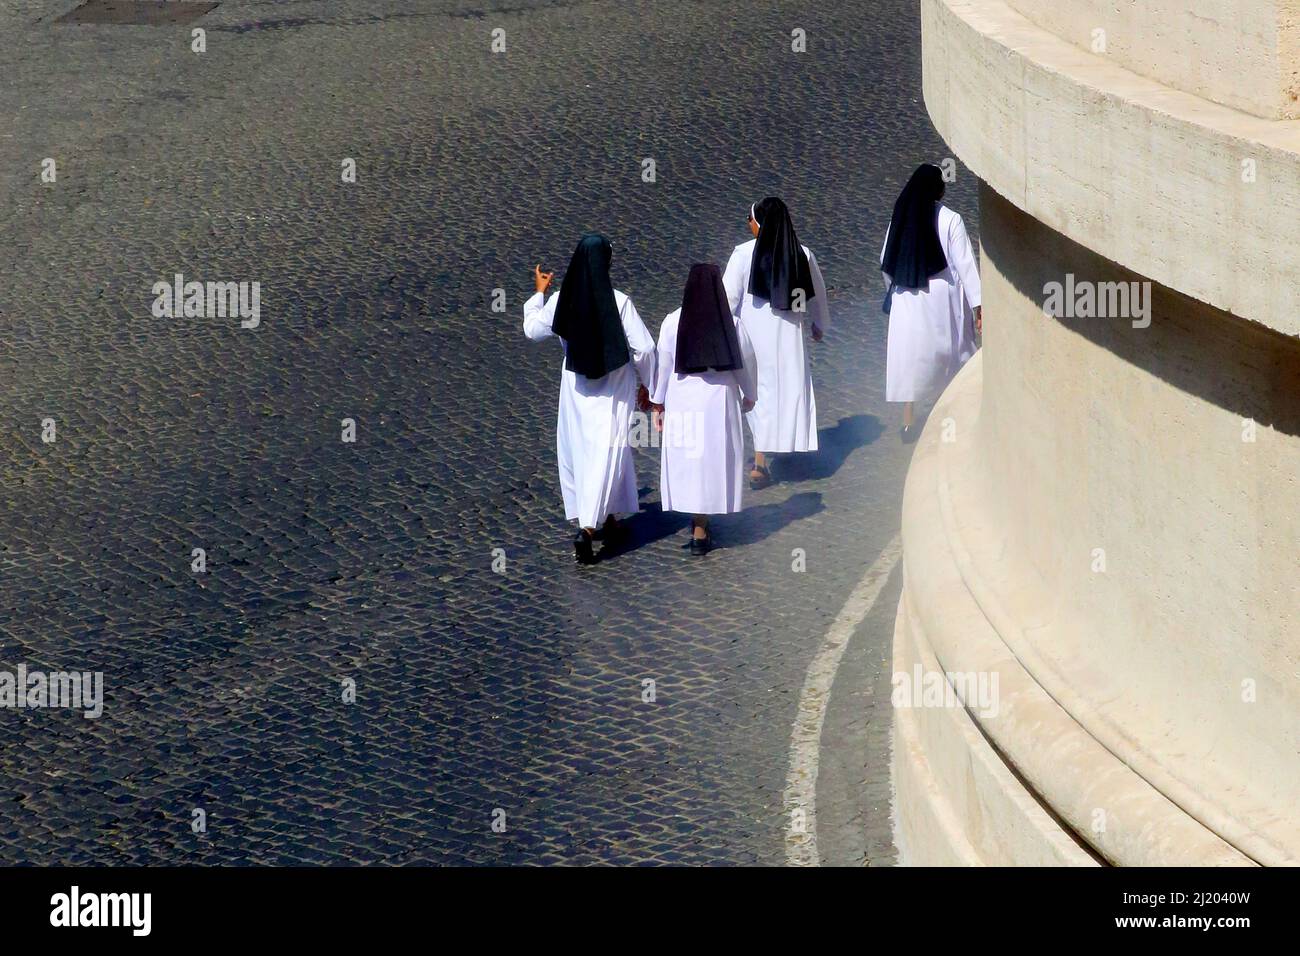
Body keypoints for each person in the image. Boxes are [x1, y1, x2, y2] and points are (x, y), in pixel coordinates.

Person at [523, 233, 656, 564]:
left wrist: (539, 294)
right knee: (609, 452)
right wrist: (651, 386)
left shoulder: (560, 301)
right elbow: (646, 349)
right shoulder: (620, 302)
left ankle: (608, 519)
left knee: (584, 452)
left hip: (576, 388)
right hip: (613, 389)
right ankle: (588, 529)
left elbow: (533, 331)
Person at [649, 263, 758, 556]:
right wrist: (751, 393)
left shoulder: (672, 321)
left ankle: (697, 521)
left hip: (683, 397)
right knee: (710, 461)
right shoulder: (731, 324)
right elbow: (745, 360)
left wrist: (657, 400)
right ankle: (701, 525)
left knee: (691, 460)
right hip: (718, 399)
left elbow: (663, 363)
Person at [722, 197, 829, 489]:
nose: (748, 224)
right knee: (785, 389)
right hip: (790, 339)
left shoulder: (743, 255)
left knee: (759, 392)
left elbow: (728, 299)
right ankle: (775, 448)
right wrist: (820, 324)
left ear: (760, 223)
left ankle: (759, 462)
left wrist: (721, 332)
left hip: (755, 339)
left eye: (751, 218)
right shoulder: (802, 254)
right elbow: (817, 294)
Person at [881, 163, 983, 443]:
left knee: (911, 358)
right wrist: (978, 304)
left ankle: (908, 421)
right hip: (940, 296)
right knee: (948, 356)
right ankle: (948, 415)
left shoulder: (899, 217)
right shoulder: (951, 219)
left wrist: (892, 291)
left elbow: (885, 260)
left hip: (905, 296)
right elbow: (965, 264)